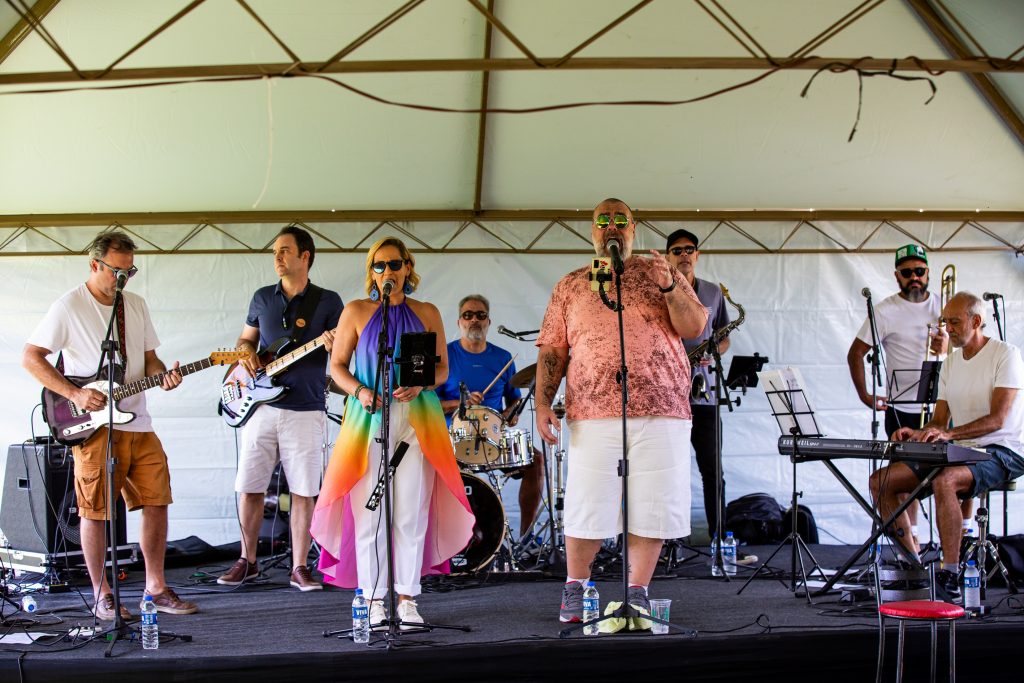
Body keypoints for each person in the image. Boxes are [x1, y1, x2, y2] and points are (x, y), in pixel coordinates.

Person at [535, 198, 708, 626]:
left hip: (662, 408)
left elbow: (694, 327)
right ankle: (576, 586)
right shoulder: (571, 284)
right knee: (587, 501)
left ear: (633, 228)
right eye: (603, 221)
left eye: (620, 220)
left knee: (653, 504)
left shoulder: (661, 273)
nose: (611, 227)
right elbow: (553, 349)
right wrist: (542, 403)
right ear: (592, 230)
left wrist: (669, 286)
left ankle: (638, 591)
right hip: (593, 410)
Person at [22, 230, 198, 620]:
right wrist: (75, 393)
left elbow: (150, 359)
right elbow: (31, 357)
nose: (123, 279)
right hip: (95, 426)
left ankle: (156, 587)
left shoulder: (135, 304)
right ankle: (103, 594)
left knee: (157, 501)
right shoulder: (69, 306)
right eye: (117, 271)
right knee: (95, 510)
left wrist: (163, 376)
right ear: (95, 264)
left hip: (139, 423)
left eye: (130, 272)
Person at [310, 236, 474, 629]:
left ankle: (406, 597)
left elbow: (443, 369)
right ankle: (372, 597)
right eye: (380, 265)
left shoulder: (427, 311)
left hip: (417, 421)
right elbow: (337, 367)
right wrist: (360, 391)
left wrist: (421, 384)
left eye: (395, 264)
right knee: (369, 514)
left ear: (408, 267)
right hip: (368, 420)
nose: (388, 271)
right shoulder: (355, 311)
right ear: (371, 271)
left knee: (410, 512)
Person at [870, 292, 1024, 603]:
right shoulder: (951, 363)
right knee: (881, 481)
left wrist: (949, 434)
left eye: (954, 322)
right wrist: (917, 433)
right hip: (961, 448)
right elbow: (939, 420)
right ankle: (913, 567)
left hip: (1004, 450)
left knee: (946, 480)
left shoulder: (1005, 354)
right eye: (945, 322)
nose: (947, 329)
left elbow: (998, 419)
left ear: (976, 321)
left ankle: (950, 575)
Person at [217, 226, 343, 591]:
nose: (277, 256)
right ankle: (247, 560)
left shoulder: (328, 301)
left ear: (305, 256)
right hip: (259, 406)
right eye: (275, 251)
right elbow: (246, 339)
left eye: (285, 250)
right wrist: (245, 353)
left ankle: (300, 566)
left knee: (304, 489)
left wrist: (333, 344)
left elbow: (341, 352)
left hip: (306, 407)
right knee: (249, 485)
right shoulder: (262, 297)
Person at [847, 244, 963, 546]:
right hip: (901, 410)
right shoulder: (885, 310)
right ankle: (913, 545)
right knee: (903, 481)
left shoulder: (945, 307)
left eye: (919, 271)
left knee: (955, 475)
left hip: (945, 408)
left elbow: (970, 350)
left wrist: (947, 347)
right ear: (897, 275)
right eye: (907, 272)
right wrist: (865, 395)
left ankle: (958, 544)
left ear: (928, 273)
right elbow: (855, 353)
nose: (914, 277)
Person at [665, 229, 756, 567]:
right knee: (668, 472)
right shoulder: (661, 290)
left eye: (689, 249)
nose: (684, 255)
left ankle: (720, 541)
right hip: (668, 395)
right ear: (668, 257)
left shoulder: (714, 292)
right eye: (677, 250)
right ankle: (668, 544)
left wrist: (712, 352)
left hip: (704, 393)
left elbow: (724, 338)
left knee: (713, 472)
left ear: (697, 254)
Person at [436, 294, 546, 540]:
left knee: (536, 460)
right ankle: (442, 538)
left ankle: (526, 536)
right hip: (453, 439)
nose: (474, 320)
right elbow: (430, 405)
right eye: (468, 315)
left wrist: (510, 414)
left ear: (488, 321)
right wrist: (460, 404)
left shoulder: (503, 358)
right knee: (426, 465)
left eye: (480, 315)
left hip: (494, 438)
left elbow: (514, 399)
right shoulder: (445, 356)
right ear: (459, 322)